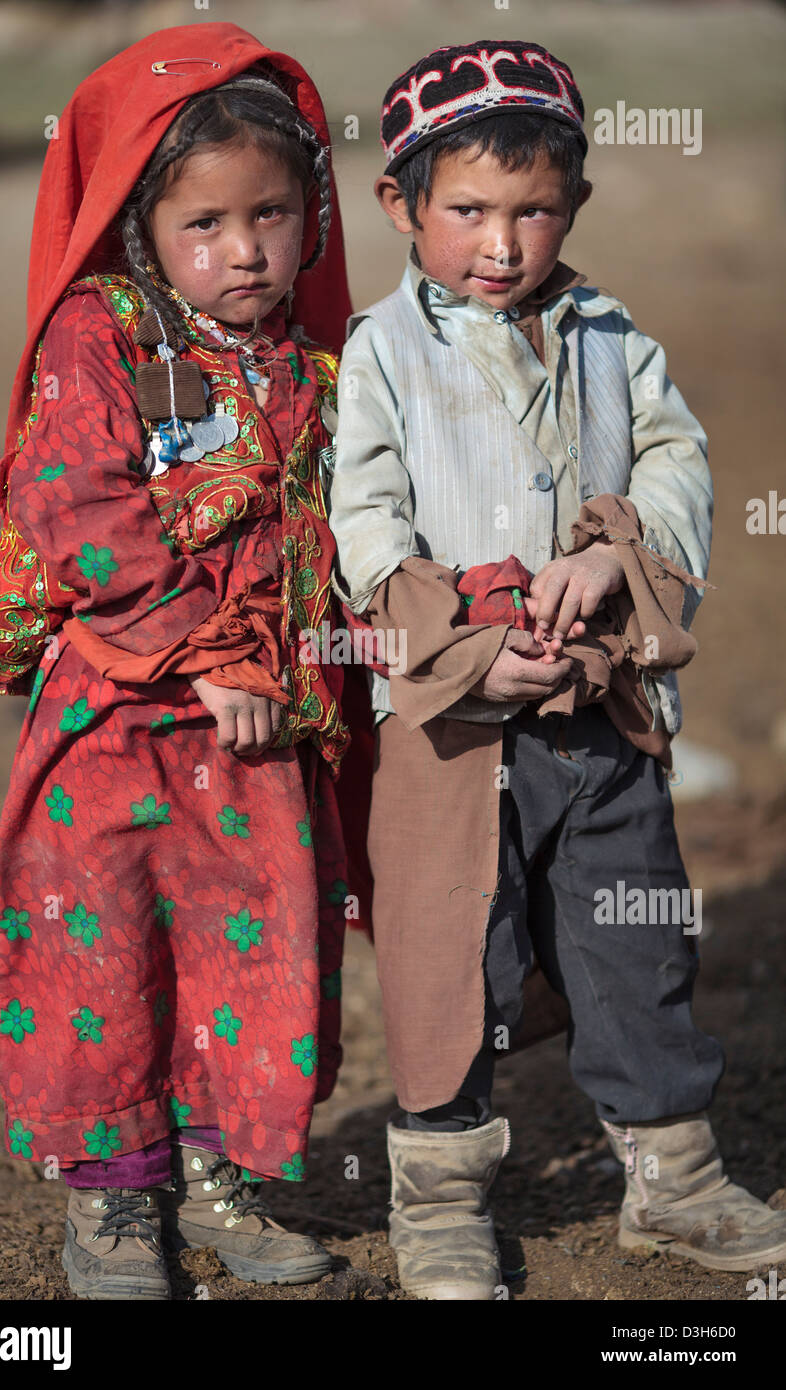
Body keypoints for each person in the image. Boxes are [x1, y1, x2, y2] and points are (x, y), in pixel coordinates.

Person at [328, 38, 786, 1299]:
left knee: (631, 941)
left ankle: (671, 1179)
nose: (500, 240)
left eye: (533, 210)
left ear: (572, 206)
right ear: (400, 206)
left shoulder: (607, 335)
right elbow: (361, 524)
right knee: (448, 957)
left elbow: (672, 460)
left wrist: (609, 551)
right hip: (451, 728)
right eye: (467, 208)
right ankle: (435, 1196)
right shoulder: (379, 354)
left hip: (596, 710)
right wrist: (470, 635)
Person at [0, 23, 374, 1301]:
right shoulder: (101, 334)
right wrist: (217, 650)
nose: (244, 250)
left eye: (272, 215)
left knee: (255, 948)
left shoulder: (316, 362)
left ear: (311, 215)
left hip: (258, 740)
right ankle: (117, 1208)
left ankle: (221, 1176)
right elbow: (81, 510)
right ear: (137, 223)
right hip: (119, 731)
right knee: (103, 952)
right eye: (205, 223)